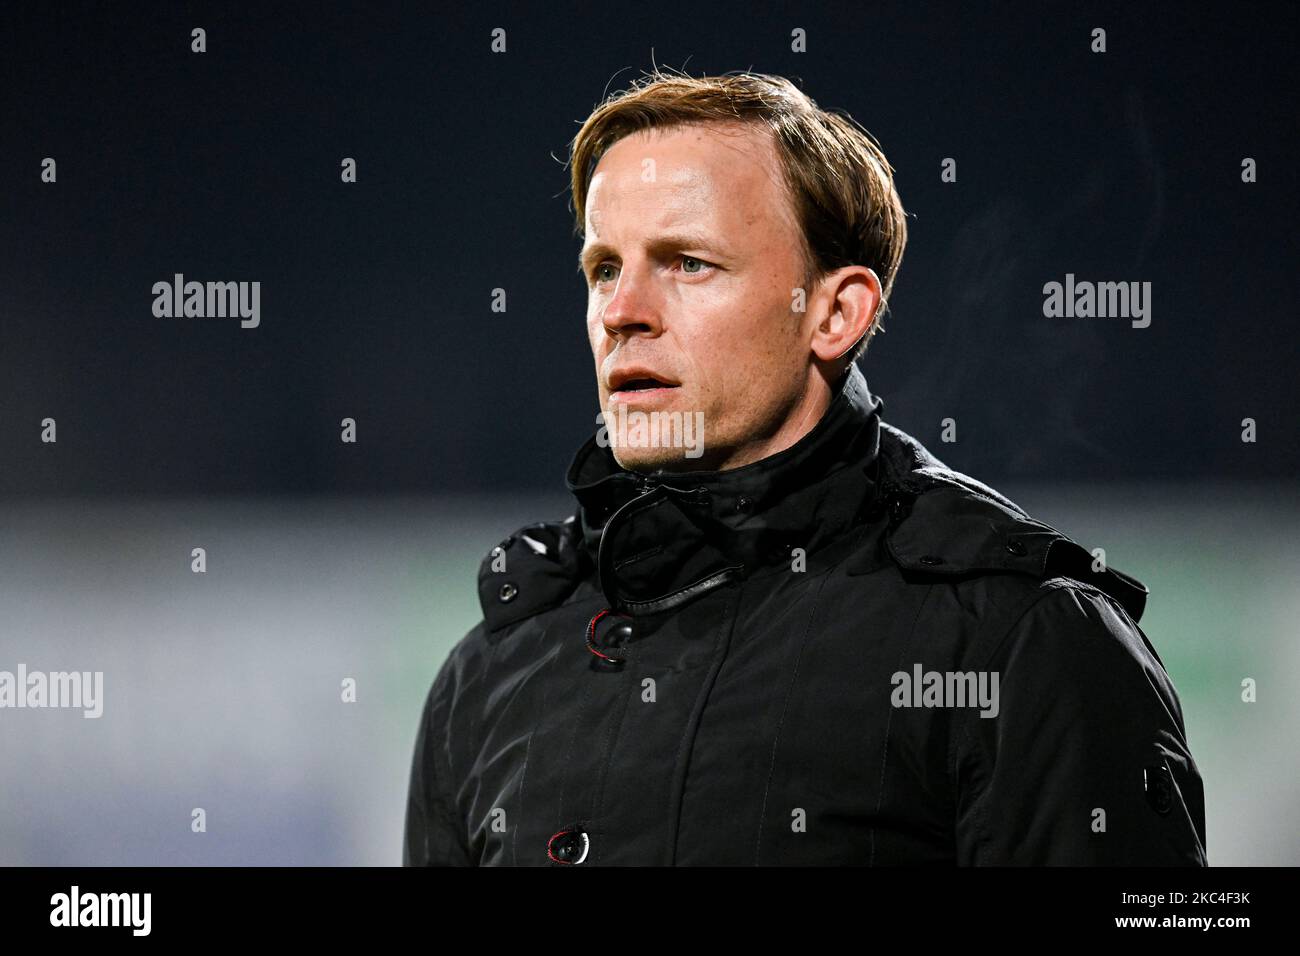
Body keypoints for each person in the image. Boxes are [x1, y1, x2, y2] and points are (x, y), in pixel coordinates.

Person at [403, 69, 1207, 866]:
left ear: (834, 312)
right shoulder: (493, 671)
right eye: (605, 267)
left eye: (687, 262)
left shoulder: (1018, 641)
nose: (621, 312)